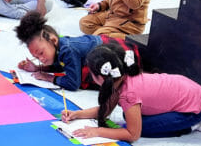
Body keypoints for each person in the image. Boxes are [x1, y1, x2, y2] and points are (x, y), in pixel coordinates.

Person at [61, 42, 201, 141]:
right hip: (190, 93)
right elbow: (105, 109)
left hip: (193, 109)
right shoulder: (121, 78)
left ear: (100, 77)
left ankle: (189, 127)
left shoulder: (128, 94)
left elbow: (133, 134)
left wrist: (97, 131)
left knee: (142, 128)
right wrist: (77, 114)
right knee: (128, 116)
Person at [14, 12, 143, 91]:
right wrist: (37, 68)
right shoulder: (59, 46)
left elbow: (73, 83)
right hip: (103, 50)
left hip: (119, 54)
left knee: (83, 76)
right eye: (36, 57)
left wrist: (49, 77)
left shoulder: (68, 49)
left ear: (53, 40)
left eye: (41, 53)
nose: (41, 59)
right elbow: (61, 65)